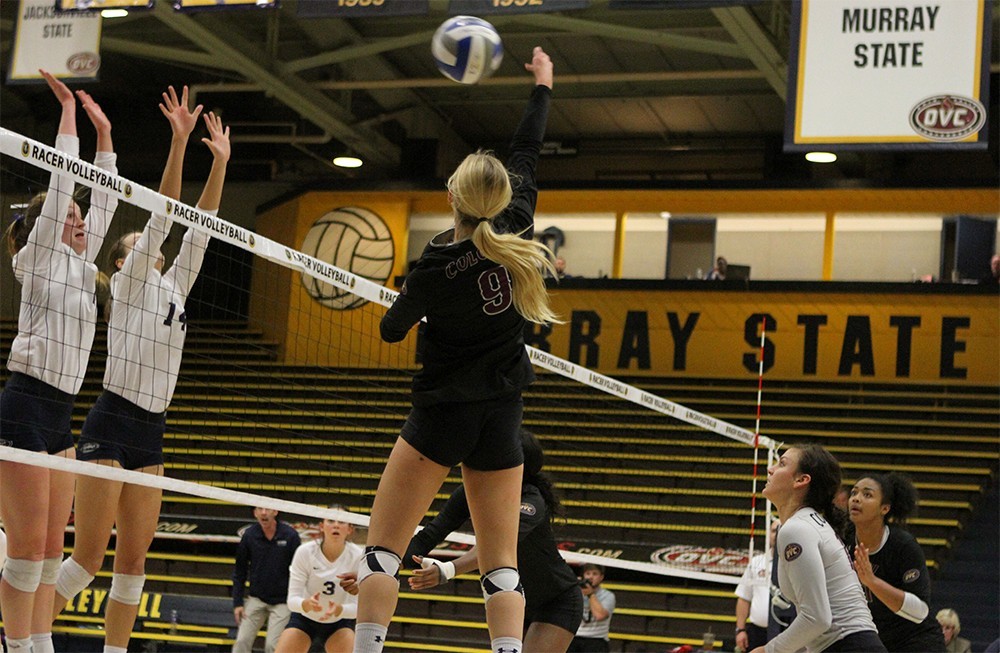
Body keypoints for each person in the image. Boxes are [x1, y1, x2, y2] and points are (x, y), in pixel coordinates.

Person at [353, 46, 558, 653]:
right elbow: (527, 150)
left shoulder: (434, 267)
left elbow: (391, 331)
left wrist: (417, 299)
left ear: (452, 196)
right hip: (502, 415)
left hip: (441, 414)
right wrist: (543, 86)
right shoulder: (516, 228)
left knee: (382, 552)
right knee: (501, 566)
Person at [49, 88, 231, 653]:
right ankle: (21, 632)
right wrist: (178, 143)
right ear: (122, 259)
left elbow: (201, 225)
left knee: (133, 565)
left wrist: (220, 164)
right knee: (87, 559)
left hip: (152, 431)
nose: (155, 245)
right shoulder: (128, 283)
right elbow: (164, 214)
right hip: (111, 422)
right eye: (140, 244)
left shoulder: (176, 284)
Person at [0, 69, 119, 653]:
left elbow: (107, 195)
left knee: (51, 552)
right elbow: (63, 180)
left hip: (62, 416)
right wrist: (68, 114)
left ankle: (39, 642)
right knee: (25, 554)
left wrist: (106, 135)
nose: (78, 222)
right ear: (46, 226)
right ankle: (16, 645)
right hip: (24, 407)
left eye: (79, 218)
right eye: (67, 217)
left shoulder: (81, 263)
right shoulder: (38, 259)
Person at [405, 429, 582, 653]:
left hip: (556, 600)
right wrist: (385, 563)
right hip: (514, 595)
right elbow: (432, 533)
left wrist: (447, 570)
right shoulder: (472, 490)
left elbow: (495, 548)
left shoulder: (531, 501)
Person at [749, 444, 885, 653]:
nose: (770, 469)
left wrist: (769, 650)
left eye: (782, 464)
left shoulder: (797, 529)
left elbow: (817, 618)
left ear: (801, 480)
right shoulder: (807, 524)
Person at [848, 472, 945, 652]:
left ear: (884, 508)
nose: (856, 498)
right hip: (879, 641)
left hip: (917, 641)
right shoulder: (843, 539)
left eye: (867, 494)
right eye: (854, 492)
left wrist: (872, 581)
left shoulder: (903, 546)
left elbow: (920, 611)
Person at [275, 507, 362, 653]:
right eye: (331, 521)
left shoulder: (357, 556)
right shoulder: (305, 552)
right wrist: (305, 604)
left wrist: (340, 610)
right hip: (304, 620)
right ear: (321, 526)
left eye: (341, 522)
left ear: (350, 529)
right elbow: (292, 601)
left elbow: (356, 608)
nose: (336, 525)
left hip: (339, 623)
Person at [232, 507, 302, 653]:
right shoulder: (250, 535)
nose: (264, 513)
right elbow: (240, 571)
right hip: (257, 598)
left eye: (267, 509)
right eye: (260, 509)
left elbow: (300, 571)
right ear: (255, 513)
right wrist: (237, 603)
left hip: (283, 601)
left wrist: (297, 601)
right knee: (241, 641)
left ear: (275, 511)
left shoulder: (290, 535)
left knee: (273, 645)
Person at [735, 520, 780, 652]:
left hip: (784, 632)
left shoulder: (794, 565)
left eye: (780, 530)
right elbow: (744, 598)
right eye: (773, 530)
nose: (776, 534)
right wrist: (740, 630)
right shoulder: (756, 562)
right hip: (758, 633)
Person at [568, 564, 616, 653]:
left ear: (601, 577)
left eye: (595, 574)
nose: (590, 577)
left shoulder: (608, 595)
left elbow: (599, 616)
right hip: (574, 636)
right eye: (588, 573)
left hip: (596, 638)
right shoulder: (575, 593)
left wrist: (591, 594)